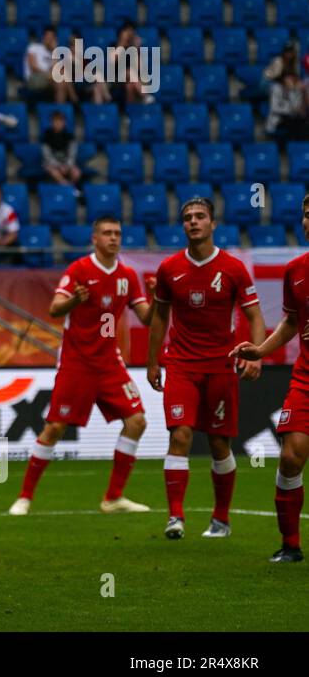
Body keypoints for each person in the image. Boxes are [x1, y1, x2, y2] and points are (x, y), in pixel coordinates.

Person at [10, 217, 155, 516]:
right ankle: (25, 497)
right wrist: (74, 300)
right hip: (76, 362)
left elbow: (147, 319)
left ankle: (113, 498)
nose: (113, 238)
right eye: (107, 233)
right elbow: (54, 309)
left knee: (137, 421)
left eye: (117, 233)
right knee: (55, 427)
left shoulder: (127, 275)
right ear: (95, 239)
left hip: (109, 362)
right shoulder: (79, 269)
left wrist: (159, 299)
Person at [147, 197, 266, 541]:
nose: (193, 222)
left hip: (220, 366)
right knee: (179, 435)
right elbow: (159, 316)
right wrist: (154, 361)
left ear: (213, 224)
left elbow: (254, 316)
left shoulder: (233, 268)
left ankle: (221, 518)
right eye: (187, 218)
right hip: (181, 364)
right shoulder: (169, 268)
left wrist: (255, 354)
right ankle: (175, 517)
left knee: (218, 444)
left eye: (200, 217)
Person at [229, 193, 309, 561]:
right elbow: (292, 321)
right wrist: (261, 350)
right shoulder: (295, 270)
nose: (308, 221)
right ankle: (290, 545)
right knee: (291, 457)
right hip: (306, 378)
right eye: (306, 215)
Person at [40, 111, 81, 189]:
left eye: (60, 121)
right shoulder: (46, 136)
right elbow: (47, 155)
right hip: (51, 164)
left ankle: (70, 189)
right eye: (55, 121)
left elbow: (72, 154)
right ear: (51, 123)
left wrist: (67, 165)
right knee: (54, 172)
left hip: (67, 163)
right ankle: (68, 189)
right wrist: (58, 166)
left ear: (64, 122)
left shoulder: (70, 137)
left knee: (76, 172)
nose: (58, 123)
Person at [268, 71, 309, 145]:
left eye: (293, 79)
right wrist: (292, 110)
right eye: (288, 79)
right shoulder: (276, 89)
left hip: (294, 118)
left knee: (303, 122)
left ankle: (301, 148)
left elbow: (299, 106)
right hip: (279, 118)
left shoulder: (294, 90)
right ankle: (297, 147)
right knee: (299, 124)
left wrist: (304, 92)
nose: (291, 81)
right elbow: (275, 108)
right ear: (283, 79)